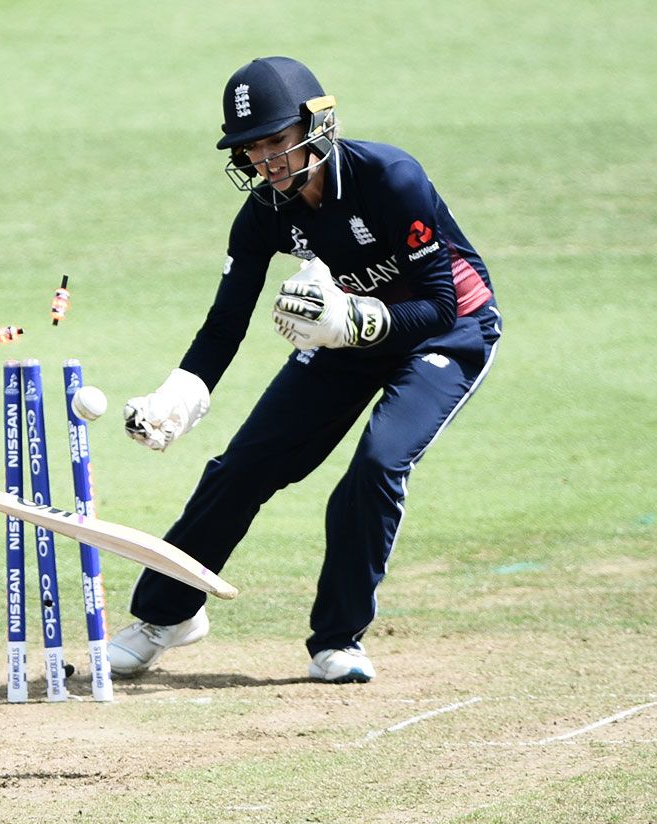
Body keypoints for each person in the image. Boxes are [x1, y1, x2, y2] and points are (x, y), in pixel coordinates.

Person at [109, 57, 501, 684]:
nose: (266, 163)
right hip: (342, 335)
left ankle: (338, 640)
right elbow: (224, 321)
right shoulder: (264, 211)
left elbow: (439, 304)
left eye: (276, 143)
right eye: (251, 150)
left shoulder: (392, 178)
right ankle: (167, 617)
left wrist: (357, 321)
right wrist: (180, 395)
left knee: (377, 465)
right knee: (242, 468)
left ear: (316, 127)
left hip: (446, 335)